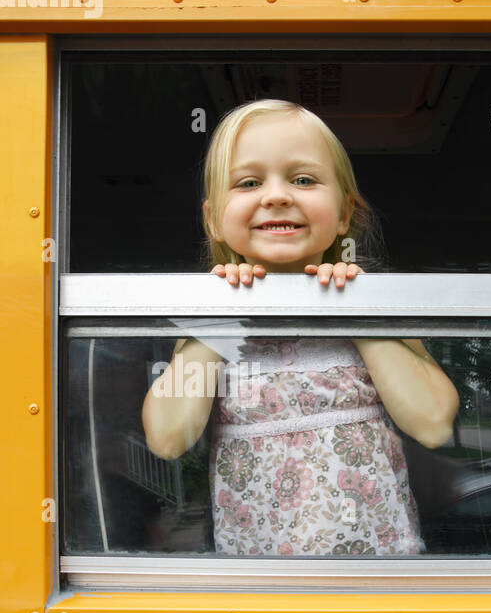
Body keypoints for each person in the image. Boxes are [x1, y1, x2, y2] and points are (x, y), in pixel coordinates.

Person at [141, 99, 459, 556]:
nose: (277, 196)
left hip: (378, 576)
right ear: (213, 220)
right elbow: (169, 438)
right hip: (261, 586)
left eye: (303, 180)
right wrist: (217, 318)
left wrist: (358, 311)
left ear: (345, 212)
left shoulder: (377, 308)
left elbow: (431, 424)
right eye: (249, 182)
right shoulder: (208, 322)